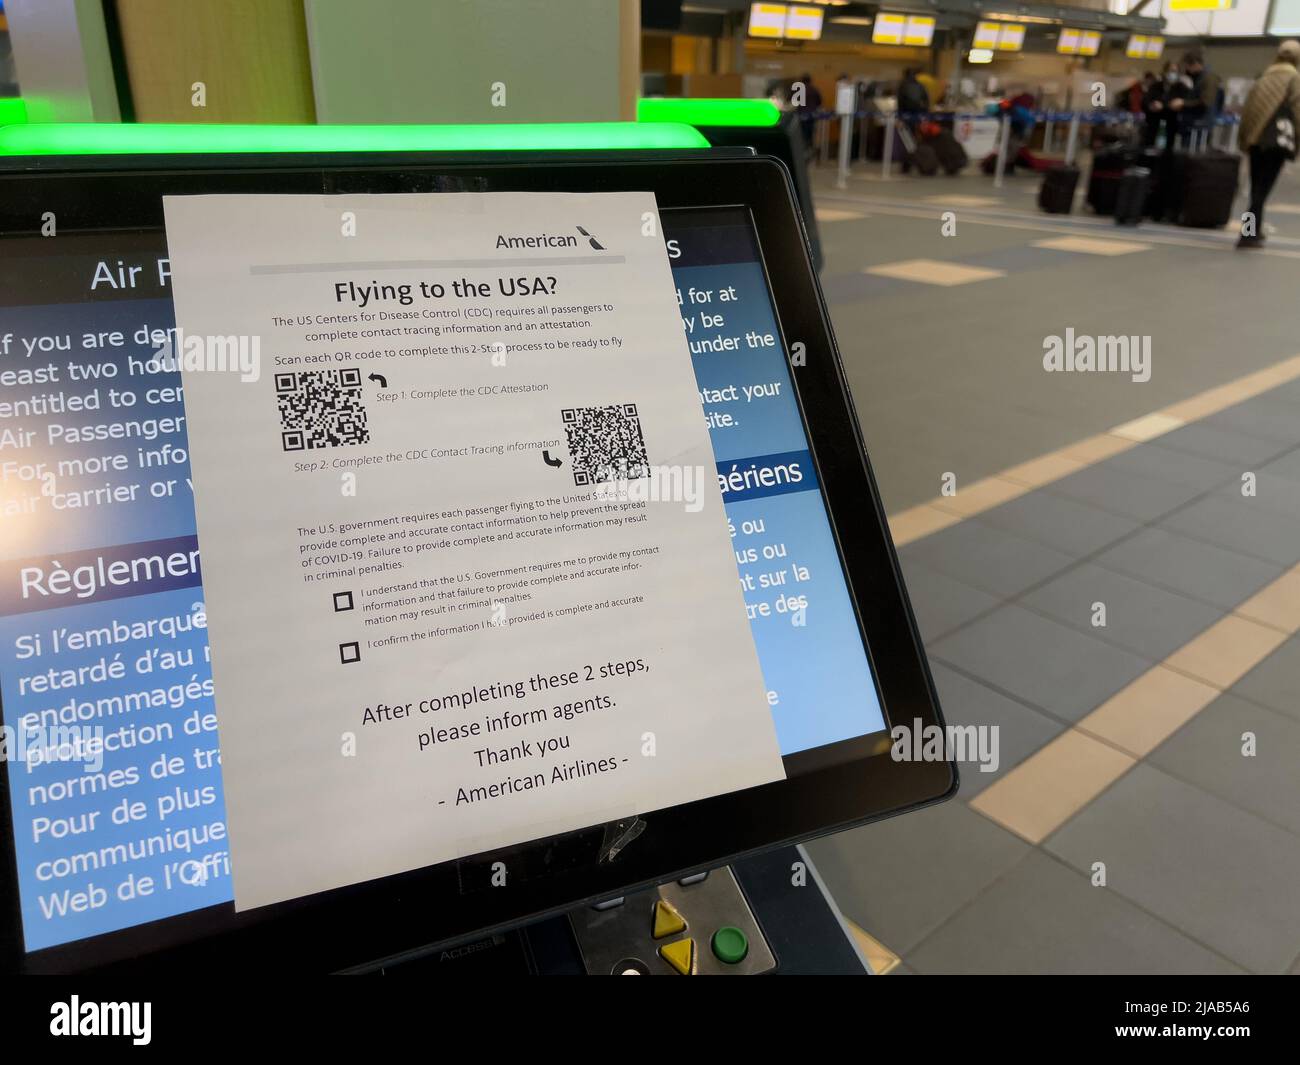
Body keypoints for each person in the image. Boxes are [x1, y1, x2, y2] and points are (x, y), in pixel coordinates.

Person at [1237, 39, 1300, 250]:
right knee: (1262, 190)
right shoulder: (1294, 78)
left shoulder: (1263, 77)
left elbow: (1247, 111)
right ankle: (1248, 234)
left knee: (1256, 187)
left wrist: (1244, 139)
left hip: (1255, 139)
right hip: (1276, 141)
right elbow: (1298, 110)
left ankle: (1252, 231)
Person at [1170, 50, 1221, 148]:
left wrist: (1183, 103)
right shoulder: (1197, 77)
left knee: (1193, 159)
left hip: (1200, 128)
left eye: (1188, 66)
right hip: (1191, 126)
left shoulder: (1209, 78)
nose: (1187, 69)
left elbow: (1206, 101)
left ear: (1196, 64)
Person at [897, 69, 930, 174]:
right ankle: (921, 163)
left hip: (906, 116)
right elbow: (926, 100)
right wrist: (924, 115)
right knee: (918, 141)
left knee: (907, 142)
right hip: (919, 116)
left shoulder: (903, 85)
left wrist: (900, 117)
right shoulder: (920, 85)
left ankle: (906, 166)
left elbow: (900, 102)